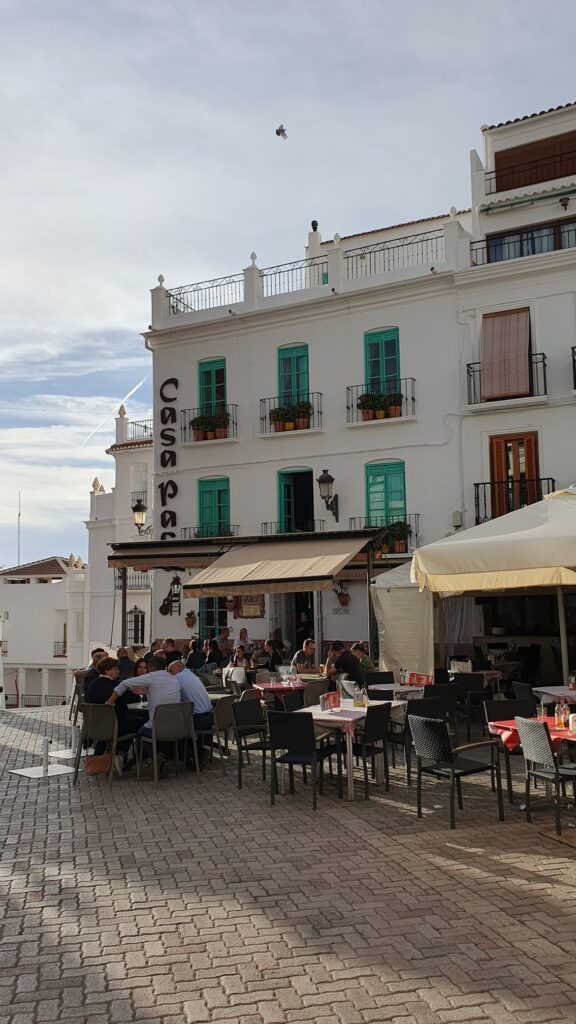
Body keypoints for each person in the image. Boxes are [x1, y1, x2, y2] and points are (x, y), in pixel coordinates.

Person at [105, 656, 182, 762]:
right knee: (155, 732)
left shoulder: (151, 677)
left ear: (151, 668)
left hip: (157, 727)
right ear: (165, 667)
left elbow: (124, 684)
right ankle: (161, 757)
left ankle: (154, 760)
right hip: (177, 726)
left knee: (140, 733)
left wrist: (109, 702)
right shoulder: (174, 679)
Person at [85, 657, 145, 767]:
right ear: (107, 670)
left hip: (95, 727)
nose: (118, 671)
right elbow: (123, 710)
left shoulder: (93, 685)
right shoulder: (116, 687)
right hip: (114, 727)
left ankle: (103, 757)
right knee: (140, 724)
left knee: (128, 723)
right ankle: (123, 756)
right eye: (115, 668)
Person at [168, 660, 213, 762]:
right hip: (209, 717)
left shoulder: (177, 678)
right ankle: (200, 751)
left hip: (198, 719)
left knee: (172, 728)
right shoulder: (191, 675)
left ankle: (191, 757)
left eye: (171, 670)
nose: (169, 674)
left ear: (179, 668)